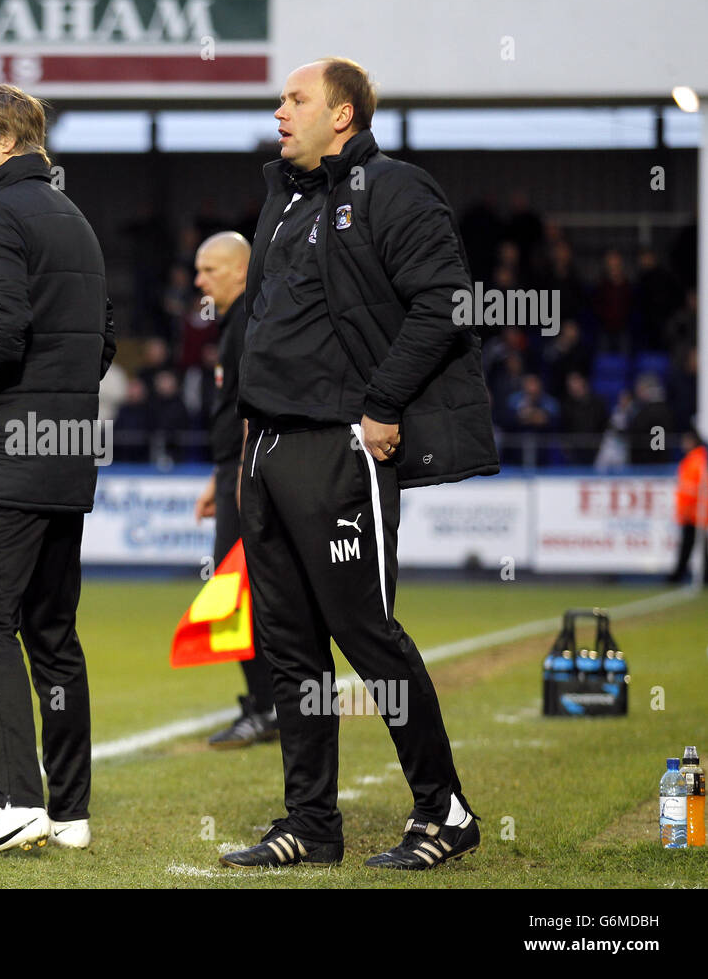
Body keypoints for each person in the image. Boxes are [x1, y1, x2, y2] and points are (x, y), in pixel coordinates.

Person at [220, 58, 499, 872]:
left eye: (295, 99)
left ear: (342, 114)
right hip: (267, 448)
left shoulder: (396, 188)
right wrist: (245, 441)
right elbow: (265, 327)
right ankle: (310, 821)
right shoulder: (284, 197)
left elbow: (446, 300)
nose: (279, 111)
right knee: (287, 646)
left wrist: (381, 405)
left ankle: (444, 809)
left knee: (365, 635)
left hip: (339, 445)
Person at [0, 83, 115, 858]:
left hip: (4, 457)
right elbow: (104, 340)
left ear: (7, 141)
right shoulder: (73, 218)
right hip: (64, 453)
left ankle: (15, 800)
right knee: (52, 633)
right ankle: (69, 809)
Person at [191, 231, 278, 747]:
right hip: (233, 471)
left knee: (234, 597)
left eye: (210, 269)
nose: (199, 280)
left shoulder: (248, 319)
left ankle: (267, 707)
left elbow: (256, 402)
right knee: (246, 595)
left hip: (246, 473)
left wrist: (242, 471)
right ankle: (270, 704)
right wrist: (220, 474)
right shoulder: (236, 321)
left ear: (242, 270)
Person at [669, 429, 708, 583]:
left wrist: (689, 510)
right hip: (693, 512)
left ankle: (678, 575)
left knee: (689, 545)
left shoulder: (696, 462)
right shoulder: (694, 460)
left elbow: (694, 490)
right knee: (697, 545)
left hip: (694, 513)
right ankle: (703, 576)